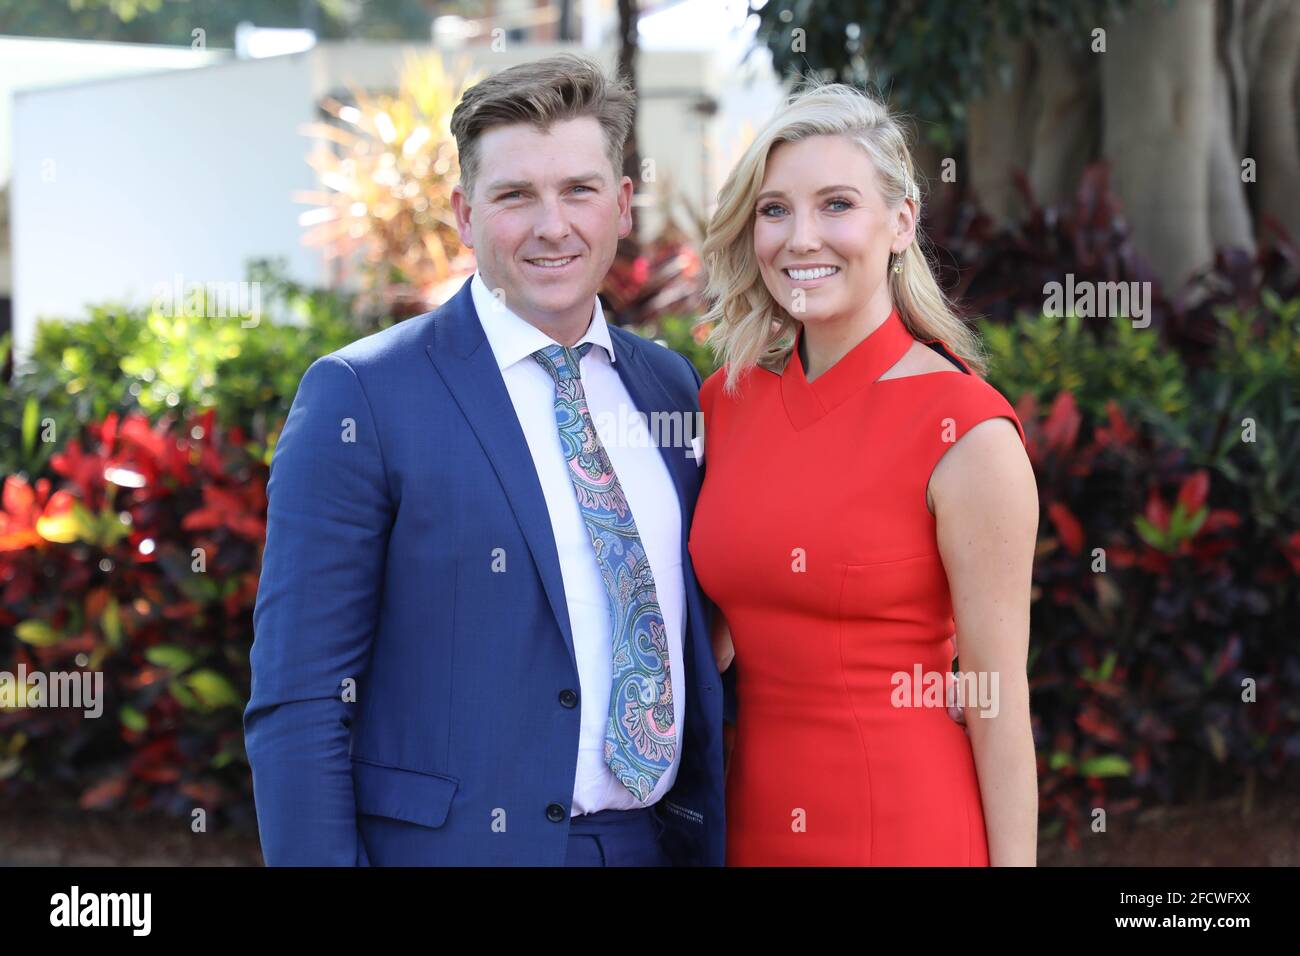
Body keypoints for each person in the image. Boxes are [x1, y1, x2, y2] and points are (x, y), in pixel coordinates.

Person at [244, 54, 724, 866]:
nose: (552, 225)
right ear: (466, 214)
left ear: (622, 204)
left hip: (648, 846)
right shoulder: (361, 397)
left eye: (578, 189)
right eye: (514, 196)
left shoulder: (668, 386)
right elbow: (300, 701)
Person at [688, 80, 1040, 866]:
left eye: (836, 205)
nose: (799, 238)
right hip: (746, 829)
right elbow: (701, 640)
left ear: (900, 221)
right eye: (774, 209)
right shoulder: (724, 403)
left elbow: (996, 700)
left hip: (905, 827)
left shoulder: (968, 433)